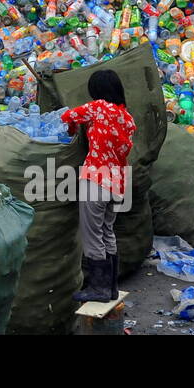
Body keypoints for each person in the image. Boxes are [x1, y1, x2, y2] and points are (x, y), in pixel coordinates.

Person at [62, 69, 135, 303]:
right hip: (117, 183)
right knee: (107, 233)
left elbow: (69, 116)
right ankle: (110, 288)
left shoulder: (99, 107)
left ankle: (98, 289)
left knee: (92, 235)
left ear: (98, 91)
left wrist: (72, 128)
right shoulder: (127, 117)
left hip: (96, 179)